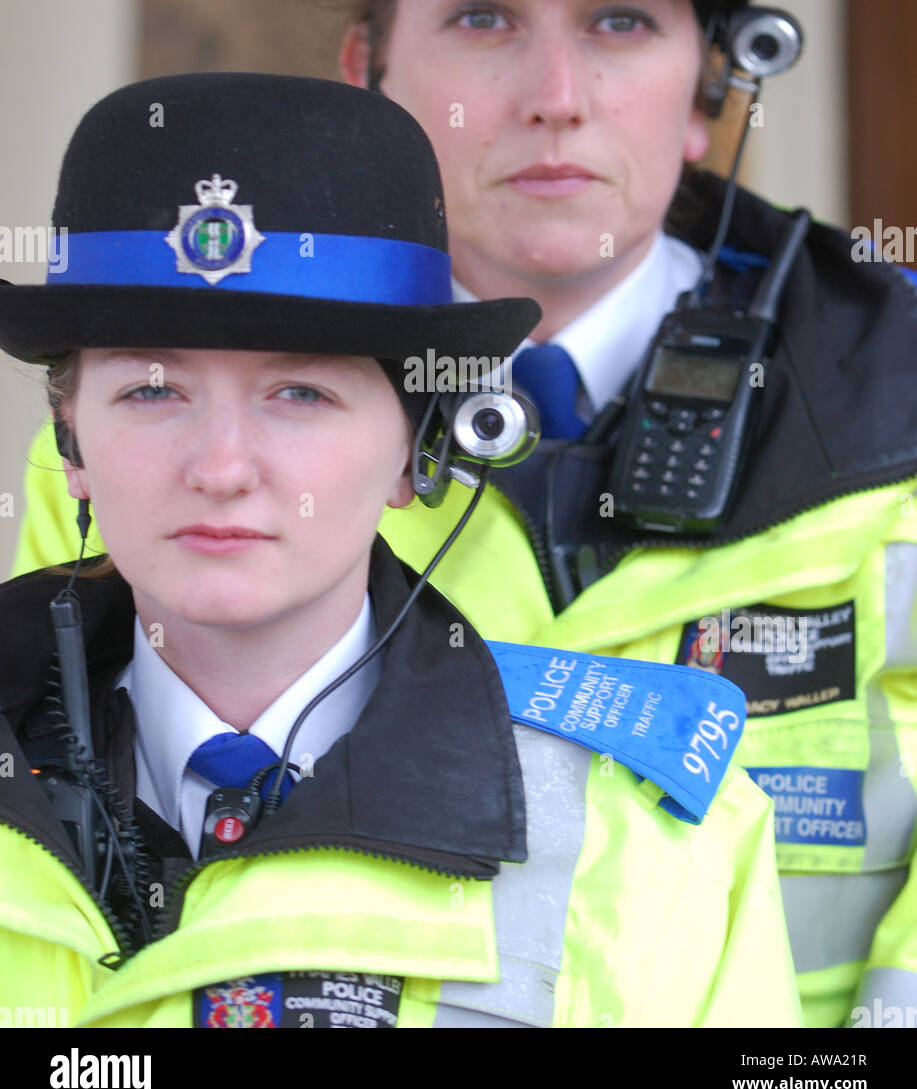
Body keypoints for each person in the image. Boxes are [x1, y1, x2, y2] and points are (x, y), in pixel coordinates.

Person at [12, 0, 917, 1029]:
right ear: (365, 71)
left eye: (619, 19)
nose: (555, 98)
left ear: (713, 87)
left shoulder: (899, 402)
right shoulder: (140, 447)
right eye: (483, 16)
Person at [0, 71, 800, 1029]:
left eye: (301, 394)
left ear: (415, 454)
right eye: (152, 391)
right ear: (72, 442)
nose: (220, 468)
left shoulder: (646, 841)